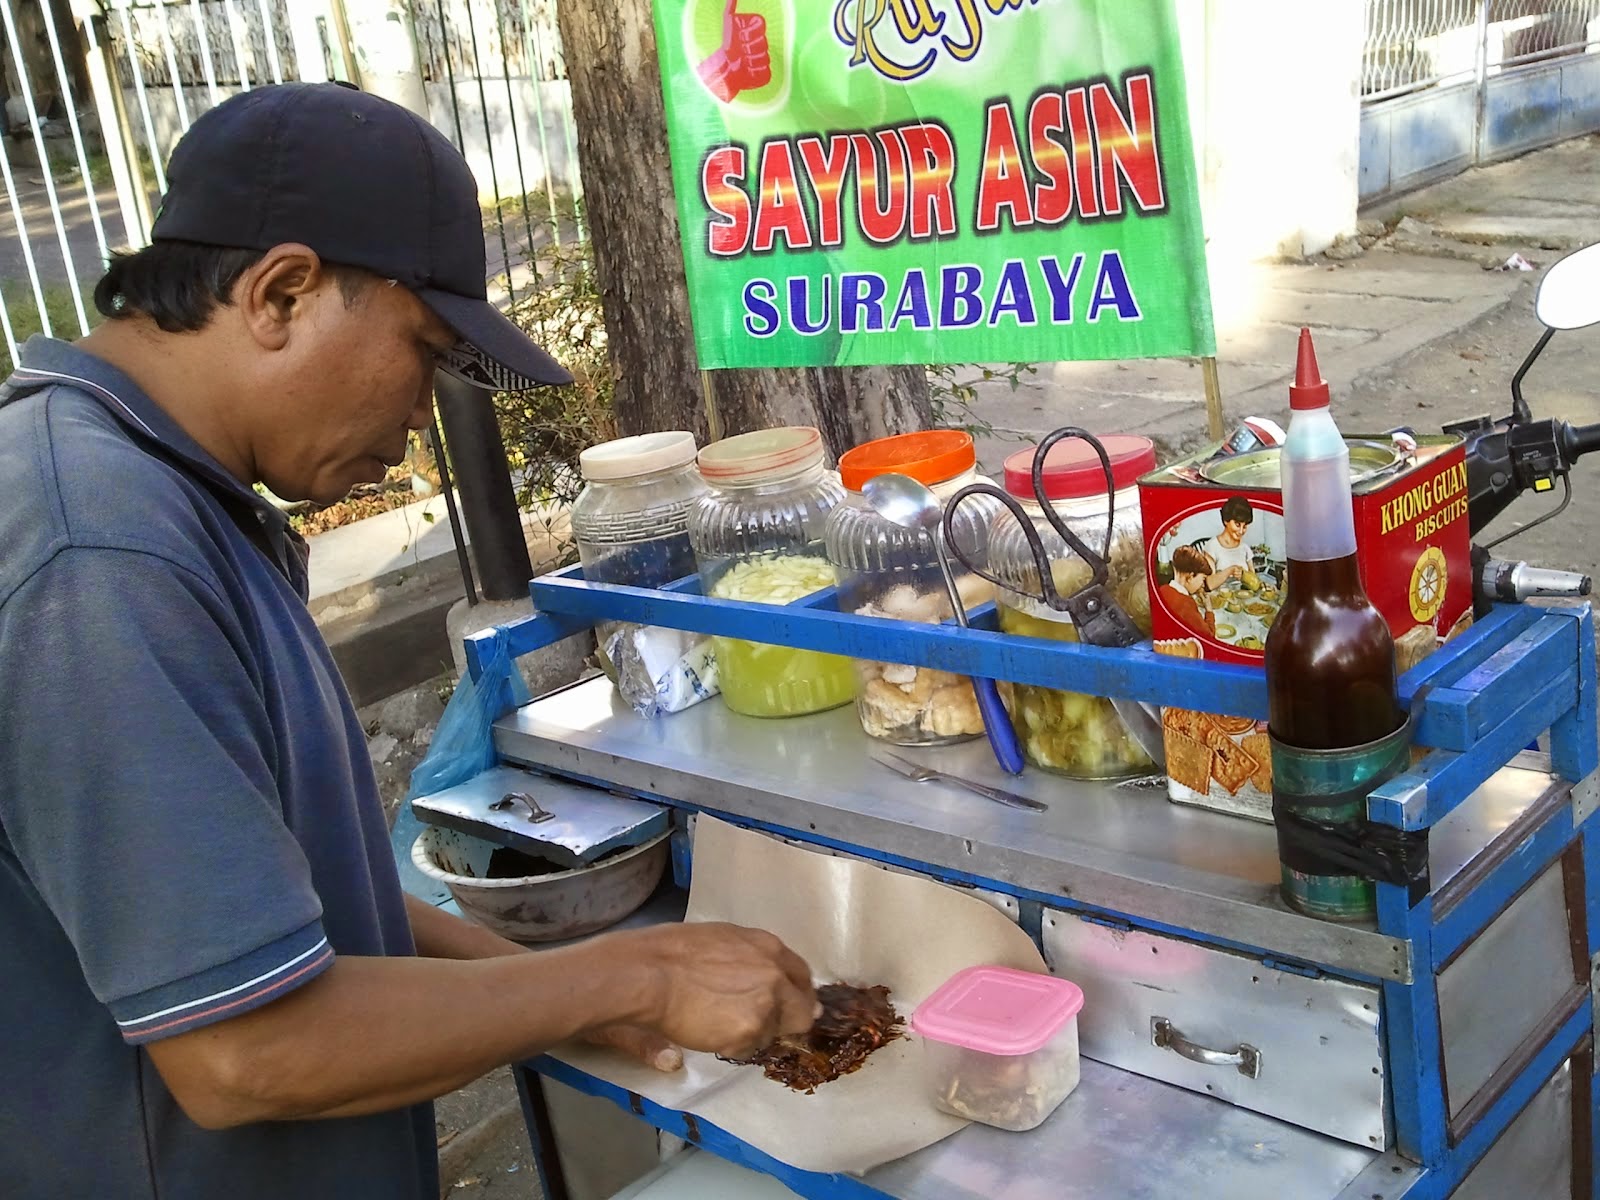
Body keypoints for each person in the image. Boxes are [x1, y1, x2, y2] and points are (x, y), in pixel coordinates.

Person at [0, 83, 816, 1200]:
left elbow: (299, 906)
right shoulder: (100, 551)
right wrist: (637, 975)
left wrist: (572, 987)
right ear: (281, 293)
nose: (423, 414)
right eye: (423, 352)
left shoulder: (168, 492)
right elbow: (247, 1048)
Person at [1160, 545, 1217, 641]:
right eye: (1202, 579)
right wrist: (1209, 610)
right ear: (1190, 577)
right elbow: (1209, 637)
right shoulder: (1186, 604)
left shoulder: (1162, 589)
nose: (1203, 585)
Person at [1201, 495, 1255, 591]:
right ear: (1226, 521)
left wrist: (1244, 575)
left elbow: (1254, 580)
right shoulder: (1212, 546)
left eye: (1245, 526)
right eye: (1237, 524)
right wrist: (1230, 570)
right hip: (1220, 597)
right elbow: (1209, 585)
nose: (1241, 531)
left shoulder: (1245, 548)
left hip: (1243, 596)